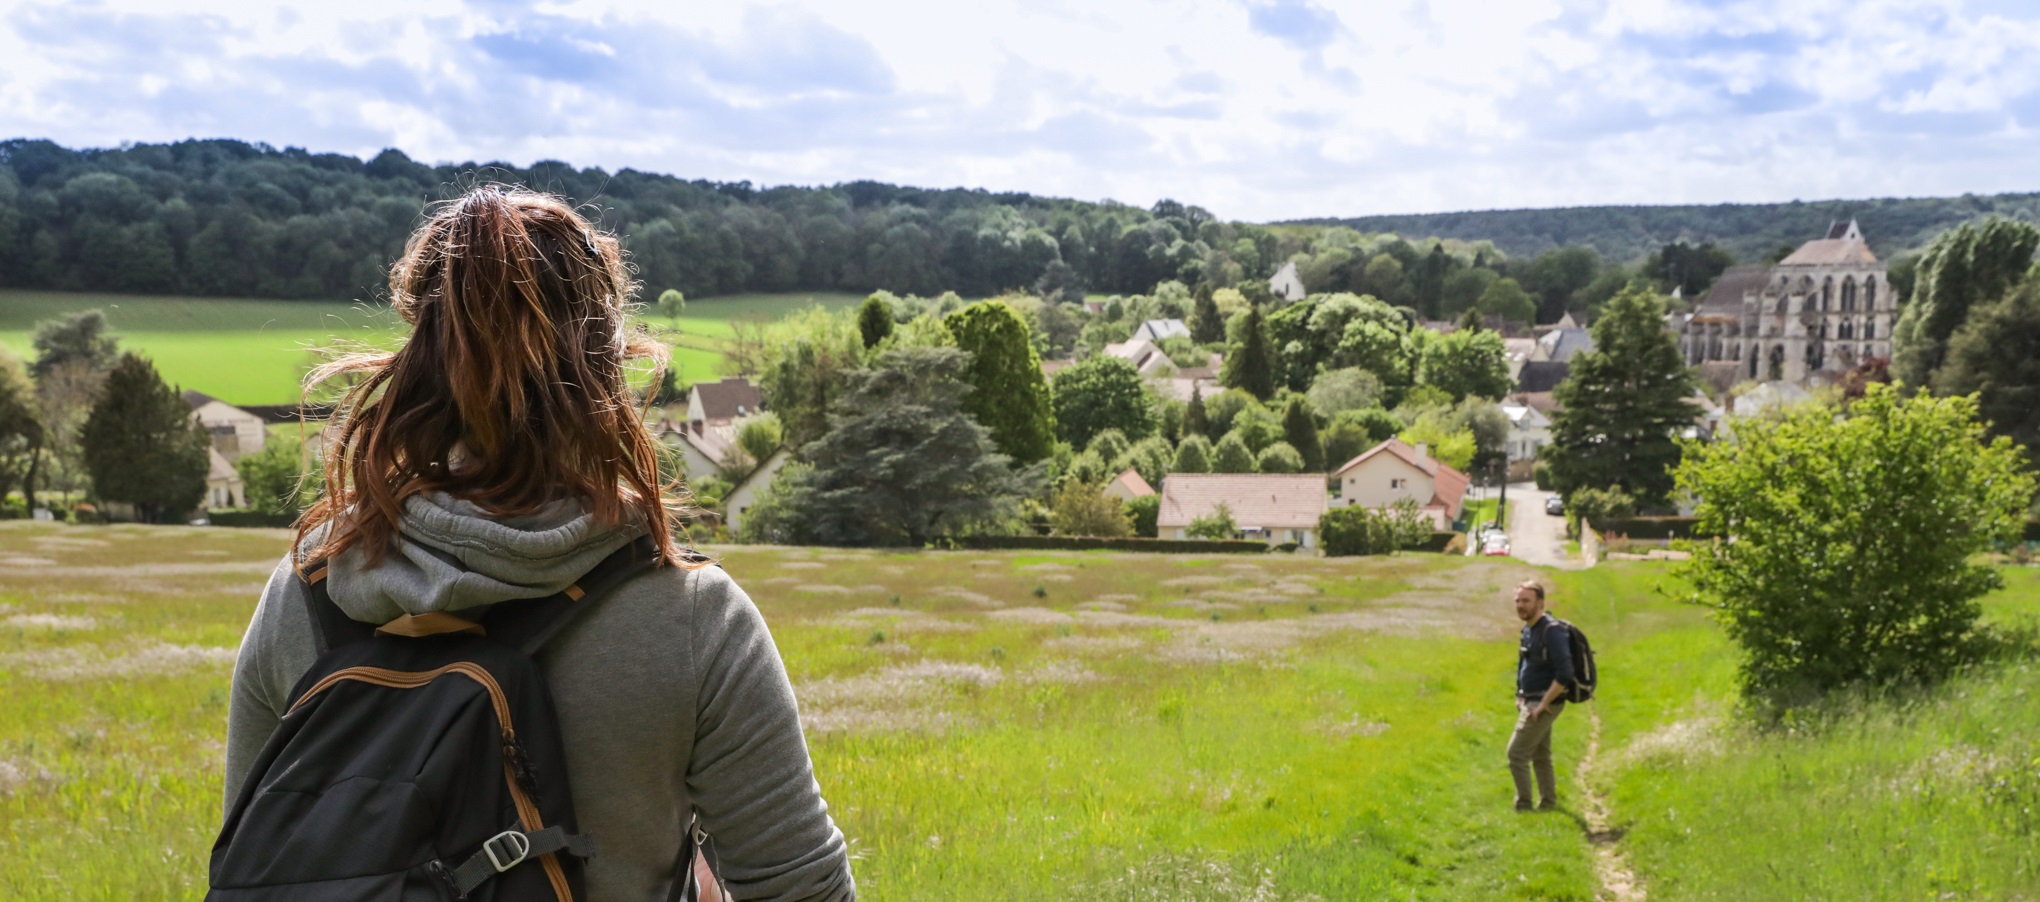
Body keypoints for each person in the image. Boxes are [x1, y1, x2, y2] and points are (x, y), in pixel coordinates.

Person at [222, 186, 855, 900]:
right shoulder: (695, 620)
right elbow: (802, 888)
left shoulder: (307, 592)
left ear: (419, 356)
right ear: (606, 365)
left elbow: (249, 866)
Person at [1508, 580, 1574, 812]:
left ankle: (1524, 806)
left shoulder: (1552, 631)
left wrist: (1543, 703)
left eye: (1526, 600)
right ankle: (1548, 804)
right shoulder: (1528, 629)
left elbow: (1565, 672)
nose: (1520, 605)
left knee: (1515, 754)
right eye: (1518, 601)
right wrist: (1520, 693)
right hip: (1532, 700)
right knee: (1540, 756)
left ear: (1541, 602)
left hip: (1545, 703)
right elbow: (1523, 664)